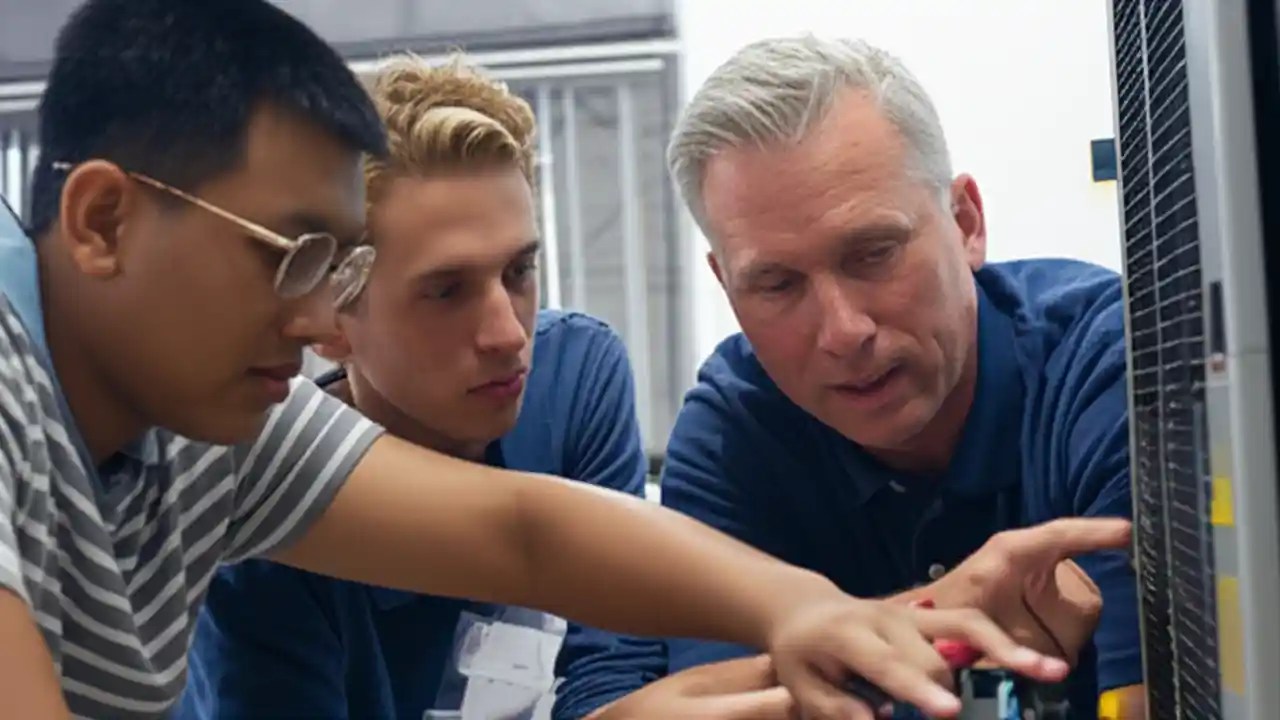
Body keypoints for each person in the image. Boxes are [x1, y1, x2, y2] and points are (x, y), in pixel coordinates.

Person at [0, 3, 1075, 718]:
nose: (320, 323)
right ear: (102, 223)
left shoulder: (215, 429)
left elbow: (523, 530)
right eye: (295, 260)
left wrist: (818, 611)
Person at [554, 35, 1143, 719]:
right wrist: (948, 623)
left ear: (966, 223)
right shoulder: (734, 434)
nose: (842, 332)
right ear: (726, 284)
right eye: (775, 284)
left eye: (873, 254)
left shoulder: (1113, 370)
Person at [174, 54, 655, 719]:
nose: (509, 335)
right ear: (329, 327)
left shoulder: (575, 377)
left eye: (519, 271)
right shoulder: (266, 528)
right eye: (447, 291)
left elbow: (618, 661)